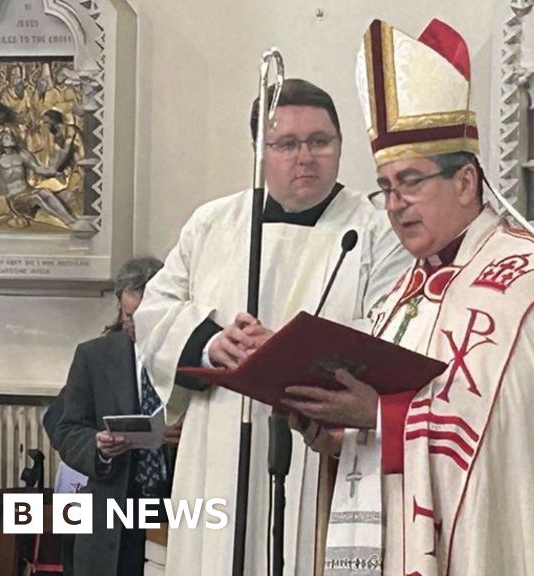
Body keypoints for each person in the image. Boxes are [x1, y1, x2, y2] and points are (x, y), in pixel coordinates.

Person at [282, 19, 534, 575]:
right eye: (386, 187)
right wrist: (335, 431)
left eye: (412, 182)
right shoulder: (406, 290)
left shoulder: (526, 280)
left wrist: (378, 414)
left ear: (466, 182)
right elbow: (387, 430)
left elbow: (508, 438)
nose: (395, 204)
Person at [133, 78, 411, 576]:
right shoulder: (213, 223)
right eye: (286, 144)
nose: (306, 157)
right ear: (259, 151)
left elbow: (394, 329)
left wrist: (285, 350)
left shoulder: (375, 230)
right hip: (220, 440)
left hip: (316, 442)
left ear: (340, 145)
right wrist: (211, 342)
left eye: (320, 141)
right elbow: (154, 309)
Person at [50, 257, 176, 576]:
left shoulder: (190, 354)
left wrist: (188, 435)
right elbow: (66, 428)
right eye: (128, 315)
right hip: (114, 507)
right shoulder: (94, 356)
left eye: (144, 316)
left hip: (174, 501)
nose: (134, 325)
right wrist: (98, 447)